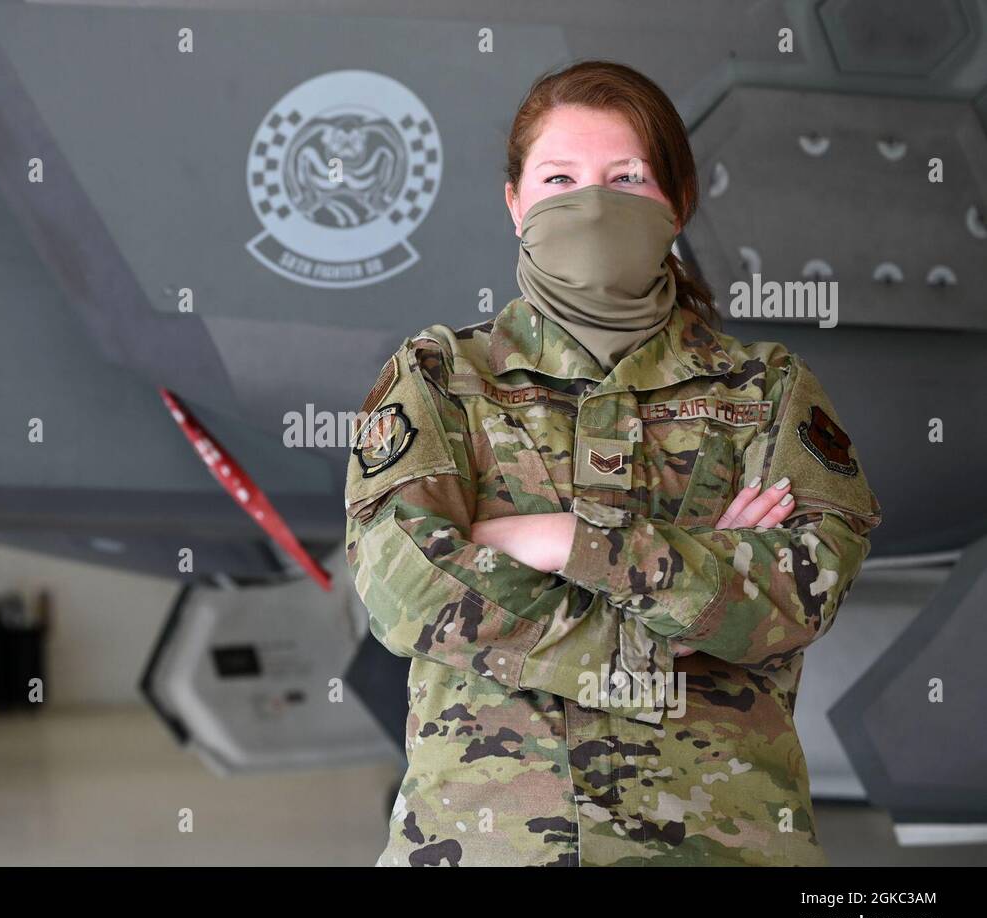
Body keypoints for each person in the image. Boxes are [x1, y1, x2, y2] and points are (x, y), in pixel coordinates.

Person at [343, 60, 881, 866]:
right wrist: (677, 616)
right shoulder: (442, 378)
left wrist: (561, 541)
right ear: (515, 202)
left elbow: (799, 590)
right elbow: (404, 585)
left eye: (626, 177)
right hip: (486, 845)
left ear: (677, 200)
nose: (591, 206)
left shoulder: (766, 389)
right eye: (559, 178)